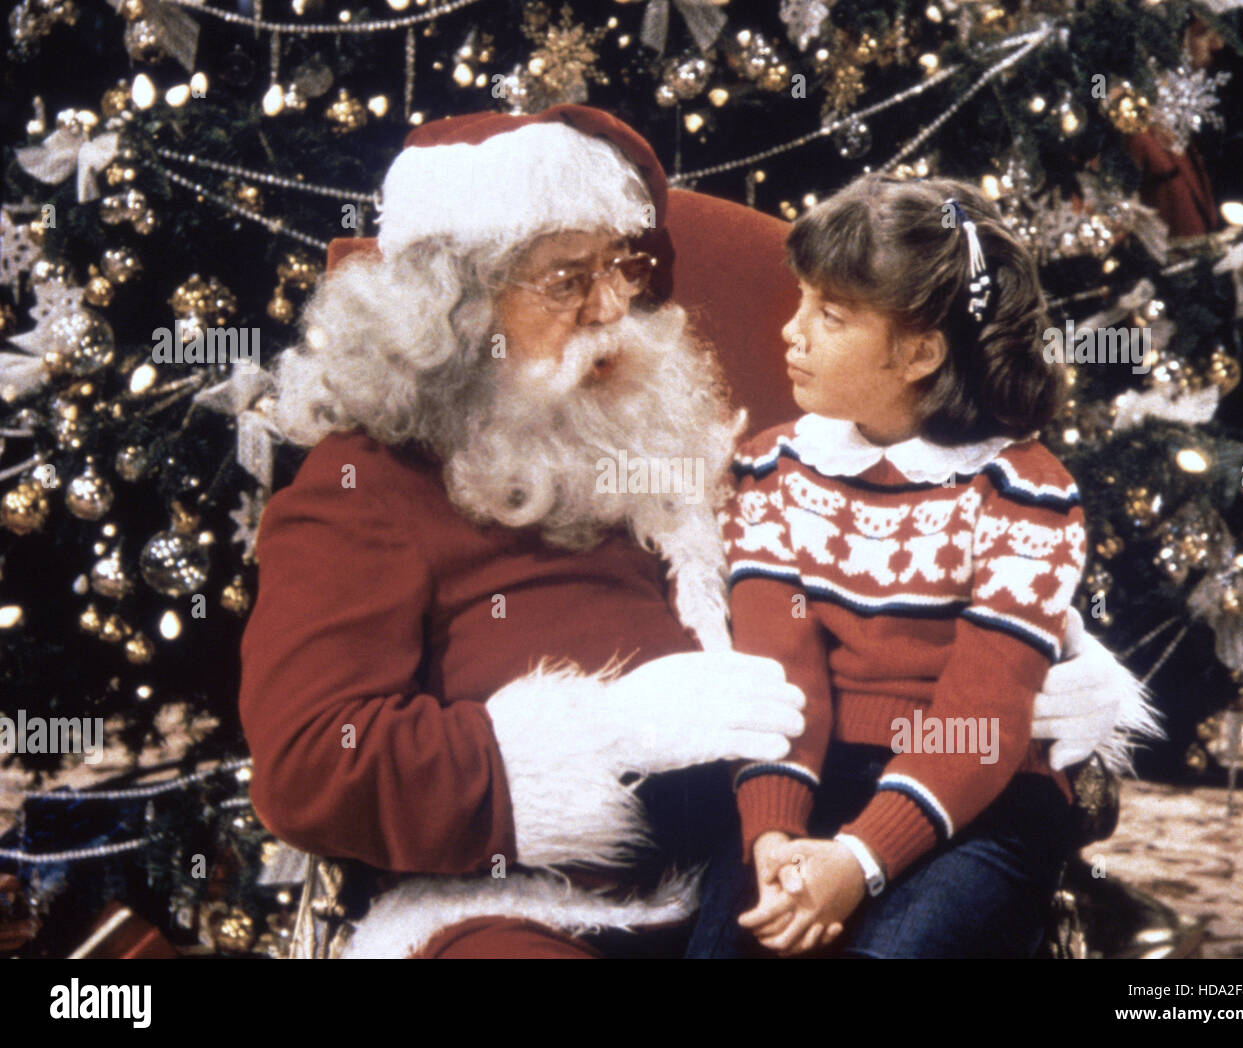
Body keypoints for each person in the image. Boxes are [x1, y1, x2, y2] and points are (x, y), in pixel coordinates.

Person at [237, 106, 1146, 959]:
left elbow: (882, 573)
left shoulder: (662, 426)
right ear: (453, 310)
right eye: (569, 278)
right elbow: (313, 763)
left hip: (772, 854)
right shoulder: (365, 489)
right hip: (533, 909)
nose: (610, 308)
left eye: (619, 267)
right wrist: (606, 737)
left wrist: (1053, 657)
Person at [687, 174, 1158, 959]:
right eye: (802, 299)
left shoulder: (1026, 494)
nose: (790, 333)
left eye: (829, 316)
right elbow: (781, 670)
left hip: (985, 791)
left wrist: (858, 861)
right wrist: (774, 833)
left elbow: (984, 715)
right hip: (818, 773)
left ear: (919, 352)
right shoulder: (772, 468)